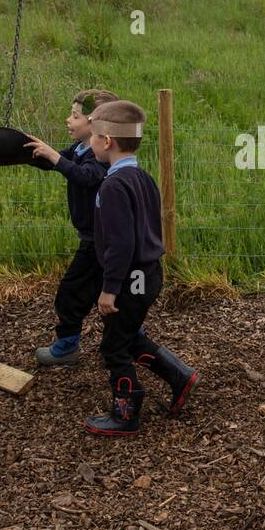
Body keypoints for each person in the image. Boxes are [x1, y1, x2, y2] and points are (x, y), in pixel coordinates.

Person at [82, 99, 198, 436]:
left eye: (93, 136)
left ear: (107, 141)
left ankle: (126, 413)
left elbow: (121, 245)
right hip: (149, 275)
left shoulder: (113, 186)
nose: (90, 142)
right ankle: (180, 376)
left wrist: (109, 289)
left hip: (129, 280)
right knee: (128, 336)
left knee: (113, 348)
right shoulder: (143, 178)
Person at [24, 88, 117, 365]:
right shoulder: (80, 149)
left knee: (71, 292)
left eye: (75, 116)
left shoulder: (101, 158)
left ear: (94, 123)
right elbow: (57, 163)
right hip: (94, 239)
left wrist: (54, 157)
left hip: (98, 241)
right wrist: (24, 150)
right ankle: (129, 338)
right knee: (110, 293)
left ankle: (67, 345)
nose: (68, 120)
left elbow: (84, 176)